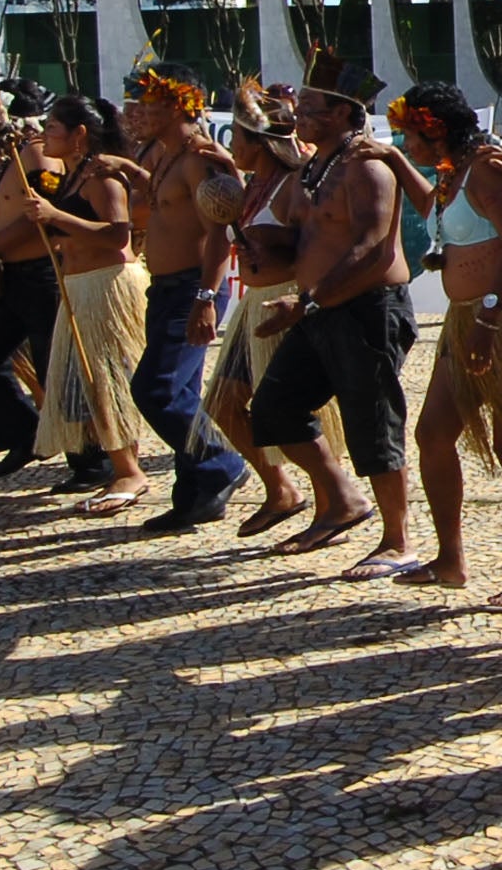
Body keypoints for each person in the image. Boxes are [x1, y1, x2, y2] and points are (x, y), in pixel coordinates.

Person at [354, 80, 502, 597]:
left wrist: (491, 317)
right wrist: (393, 159)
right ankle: (450, 560)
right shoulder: (453, 173)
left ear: (437, 131)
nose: (407, 144)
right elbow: (436, 213)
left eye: (410, 136)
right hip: (465, 317)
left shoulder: (490, 168)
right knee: (432, 434)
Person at [246, 53, 421, 580]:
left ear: (345, 114)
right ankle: (342, 500)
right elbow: (305, 234)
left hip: (366, 310)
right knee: (273, 409)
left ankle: (399, 540)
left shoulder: (368, 166)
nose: (299, 111)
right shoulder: (312, 167)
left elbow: (371, 247)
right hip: (320, 308)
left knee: (373, 421)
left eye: (313, 106)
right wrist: (263, 239)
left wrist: (309, 299)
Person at [0, 80, 114, 492]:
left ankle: (92, 461)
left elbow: (40, 219)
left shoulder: (36, 153)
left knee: (57, 369)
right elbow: (8, 212)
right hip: (12, 279)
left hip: (42, 276)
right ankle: (26, 436)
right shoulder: (6, 158)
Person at [204, 80, 360, 547]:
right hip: (253, 306)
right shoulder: (252, 186)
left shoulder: (296, 184)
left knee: (288, 411)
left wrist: (275, 244)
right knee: (222, 405)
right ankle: (280, 489)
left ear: (261, 141)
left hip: (284, 302)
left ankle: (334, 502)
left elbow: (315, 243)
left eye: (237, 137)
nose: (231, 146)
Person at [117, 61, 252, 534]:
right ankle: (196, 494)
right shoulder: (162, 155)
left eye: (151, 102)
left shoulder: (202, 159)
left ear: (180, 103)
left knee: (155, 391)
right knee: (181, 392)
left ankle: (222, 462)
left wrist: (205, 297)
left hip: (192, 290)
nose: (141, 110)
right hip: (166, 288)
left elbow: (220, 233)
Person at [22, 96, 155, 514]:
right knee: (94, 381)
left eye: (53, 129)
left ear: (79, 134)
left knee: (106, 379)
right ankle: (122, 466)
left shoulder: (102, 175)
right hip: (81, 285)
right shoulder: (76, 175)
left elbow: (119, 235)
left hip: (106, 284)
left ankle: (130, 470)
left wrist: (57, 217)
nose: (45, 136)